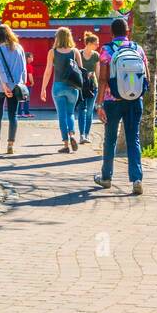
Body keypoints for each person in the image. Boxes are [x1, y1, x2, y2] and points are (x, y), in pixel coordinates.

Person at [94, 17, 148, 196]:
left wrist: (100, 103)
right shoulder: (137, 49)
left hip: (112, 101)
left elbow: (103, 79)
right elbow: (145, 75)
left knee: (110, 139)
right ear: (127, 32)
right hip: (134, 101)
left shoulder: (107, 50)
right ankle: (137, 179)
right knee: (134, 138)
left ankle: (106, 178)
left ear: (112, 33)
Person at [41, 27, 83, 153]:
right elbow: (81, 71)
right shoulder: (75, 52)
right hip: (73, 88)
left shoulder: (52, 52)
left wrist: (43, 88)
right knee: (70, 114)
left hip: (58, 87)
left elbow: (48, 71)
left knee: (61, 115)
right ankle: (72, 135)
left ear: (57, 38)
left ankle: (66, 144)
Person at [0, 24, 27, 154]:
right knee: (13, 115)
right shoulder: (19, 47)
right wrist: (22, 83)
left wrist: (4, 85)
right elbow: (23, 68)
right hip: (16, 86)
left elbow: (0, 68)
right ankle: (11, 144)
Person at [75, 32, 101, 143]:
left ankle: (86, 134)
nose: (98, 45)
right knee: (82, 110)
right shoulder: (78, 54)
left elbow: (98, 72)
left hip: (92, 86)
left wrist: (100, 87)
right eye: (96, 43)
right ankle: (81, 135)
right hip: (81, 86)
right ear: (89, 43)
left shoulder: (96, 56)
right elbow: (75, 70)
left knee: (90, 111)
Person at [18, 52, 35, 118]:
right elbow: (30, 75)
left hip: (20, 84)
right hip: (27, 85)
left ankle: (19, 113)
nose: (32, 58)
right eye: (31, 57)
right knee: (26, 100)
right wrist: (32, 82)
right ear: (27, 58)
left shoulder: (21, 65)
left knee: (20, 99)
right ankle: (26, 113)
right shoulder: (29, 66)